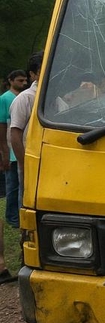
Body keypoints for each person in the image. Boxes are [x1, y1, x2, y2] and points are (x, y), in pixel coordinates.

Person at [10, 52, 42, 212]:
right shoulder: (25, 99)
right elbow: (15, 134)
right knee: (28, 202)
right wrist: (23, 163)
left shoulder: (55, 98)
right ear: (33, 74)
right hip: (30, 161)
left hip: (50, 161)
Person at [0, 70, 28, 230]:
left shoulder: (22, 98)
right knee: (12, 186)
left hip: (21, 148)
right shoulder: (4, 99)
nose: (23, 83)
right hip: (11, 149)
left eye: (25, 80)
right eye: (19, 80)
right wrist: (4, 150)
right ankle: (12, 217)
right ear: (10, 81)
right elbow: (2, 126)